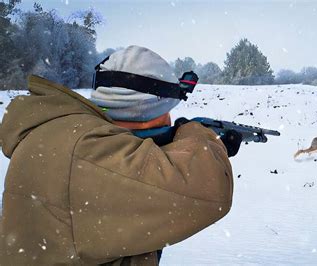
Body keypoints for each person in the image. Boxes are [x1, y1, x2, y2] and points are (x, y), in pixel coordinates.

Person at [0, 46, 241, 265]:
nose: (169, 119)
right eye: (167, 112)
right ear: (144, 111)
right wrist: (198, 136)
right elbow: (210, 192)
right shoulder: (90, 154)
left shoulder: (58, 130)